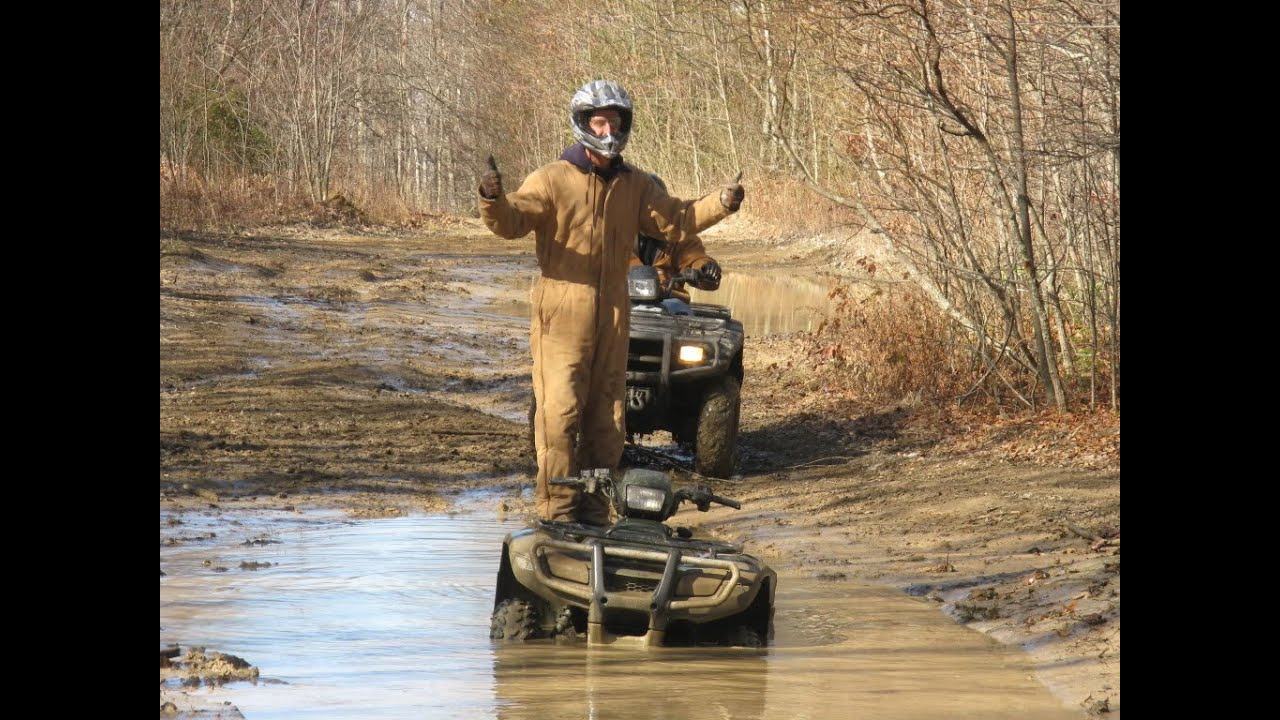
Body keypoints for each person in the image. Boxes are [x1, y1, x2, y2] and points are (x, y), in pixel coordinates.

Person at [478, 79, 745, 525]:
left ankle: (595, 512)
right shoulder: (551, 179)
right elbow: (511, 220)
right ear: (583, 123)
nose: (607, 130)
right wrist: (491, 198)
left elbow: (678, 219)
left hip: (617, 311)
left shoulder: (635, 184)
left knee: (607, 423)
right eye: (599, 121)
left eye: (614, 121)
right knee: (561, 415)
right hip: (563, 308)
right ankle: (558, 514)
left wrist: (721, 202)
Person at [631, 174, 724, 316]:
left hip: (669, 302)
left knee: (687, 322)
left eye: (659, 211)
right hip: (624, 302)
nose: (653, 216)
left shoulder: (681, 238)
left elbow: (696, 258)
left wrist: (706, 268)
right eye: (647, 210)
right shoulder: (616, 235)